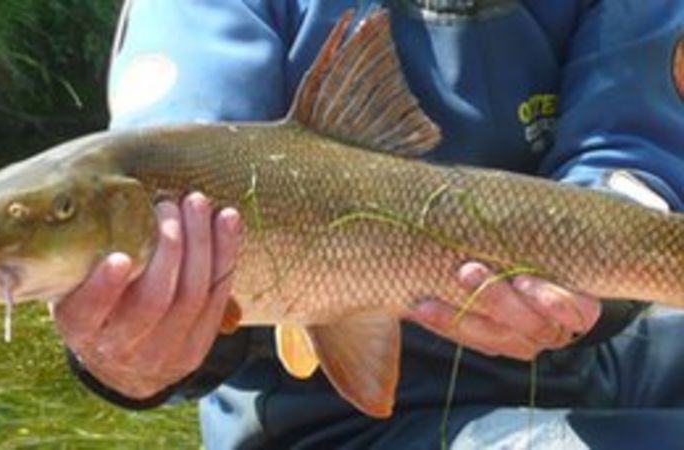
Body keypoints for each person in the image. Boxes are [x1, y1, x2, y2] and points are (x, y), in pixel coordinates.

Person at [54, 1, 684, 448]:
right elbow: (180, 160)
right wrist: (130, 352)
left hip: (580, 352)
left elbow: (631, 148)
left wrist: (605, 271)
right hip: (324, 420)